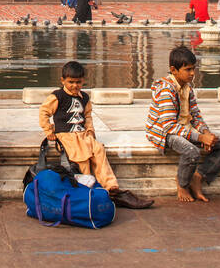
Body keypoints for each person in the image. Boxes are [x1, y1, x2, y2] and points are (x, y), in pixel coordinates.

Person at [40, 61, 153, 209]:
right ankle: (87, 193)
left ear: (83, 81)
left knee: (98, 150)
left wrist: (91, 131)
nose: (75, 85)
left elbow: (87, 117)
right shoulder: (58, 96)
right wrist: (49, 131)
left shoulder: (84, 98)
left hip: (83, 134)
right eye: (71, 82)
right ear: (63, 81)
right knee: (82, 158)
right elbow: (44, 112)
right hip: (66, 135)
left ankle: (111, 188)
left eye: (78, 82)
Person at [146, 45, 220, 203]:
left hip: (186, 128)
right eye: (188, 69)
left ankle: (199, 176)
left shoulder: (187, 87)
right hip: (165, 133)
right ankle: (182, 184)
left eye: (193, 69)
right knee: (192, 151)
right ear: (173, 70)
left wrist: (206, 133)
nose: (192, 73)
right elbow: (169, 126)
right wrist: (200, 138)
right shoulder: (165, 90)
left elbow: (195, 115)